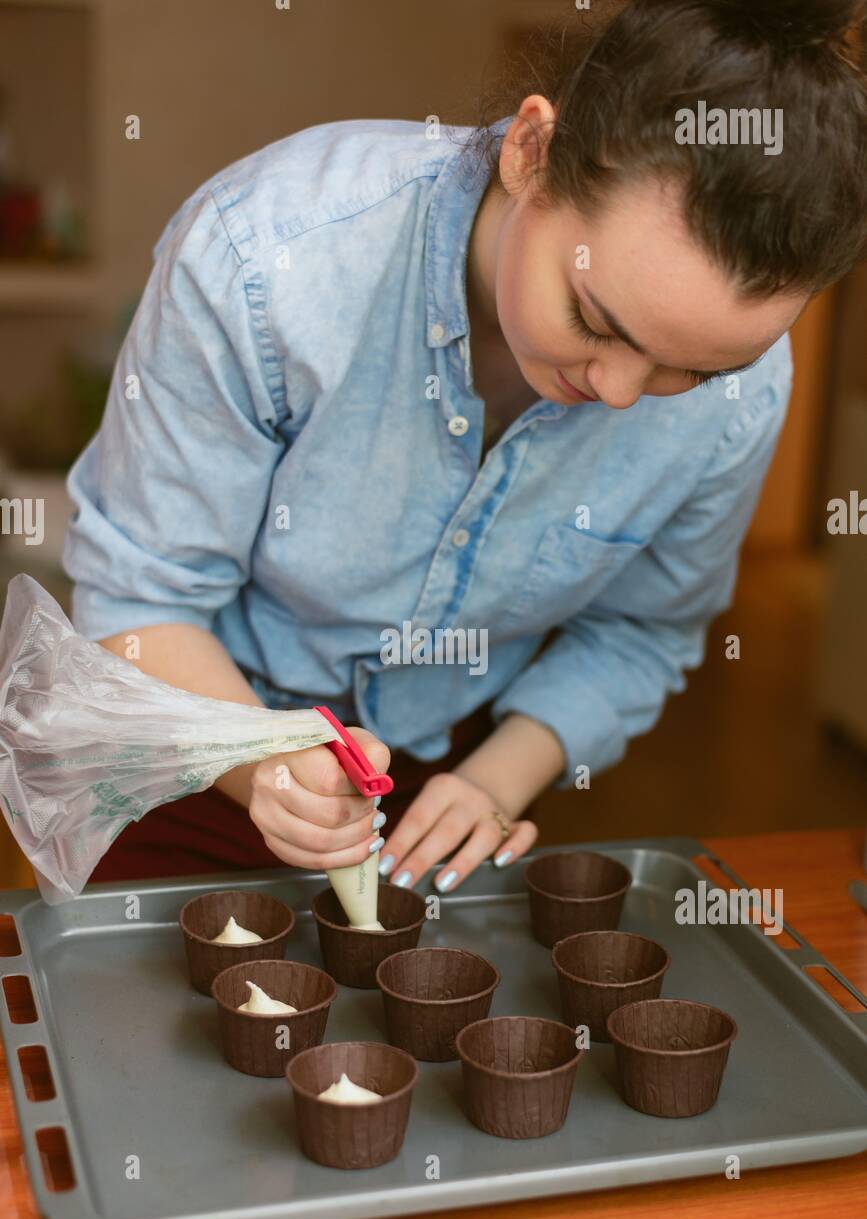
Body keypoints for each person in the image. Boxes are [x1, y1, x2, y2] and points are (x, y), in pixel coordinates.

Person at [64, 0, 867, 894]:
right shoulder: (267, 259)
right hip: (193, 750)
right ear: (531, 152)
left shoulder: (745, 389)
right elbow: (141, 598)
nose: (620, 393)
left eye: (689, 371)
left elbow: (640, 632)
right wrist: (270, 767)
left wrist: (496, 779)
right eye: (595, 321)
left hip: (446, 790)